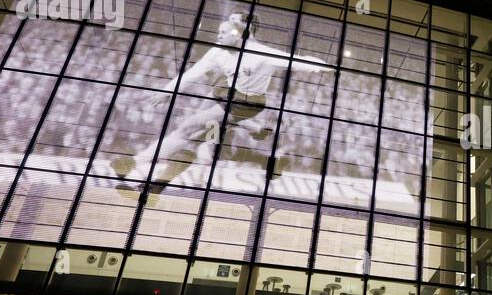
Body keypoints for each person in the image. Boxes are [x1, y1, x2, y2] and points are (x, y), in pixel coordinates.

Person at [115, 12, 331, 185]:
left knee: (191, 131)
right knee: (193, 137)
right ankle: (154, 183)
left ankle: (136, 164)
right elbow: (192, 74)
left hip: (245, 103)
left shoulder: (260, 53)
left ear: (242, 31)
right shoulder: (218, 52)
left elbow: (298, 61)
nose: (221, 32)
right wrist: (168, 91)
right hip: (226, 95)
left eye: (231, 25)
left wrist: (325, 67)